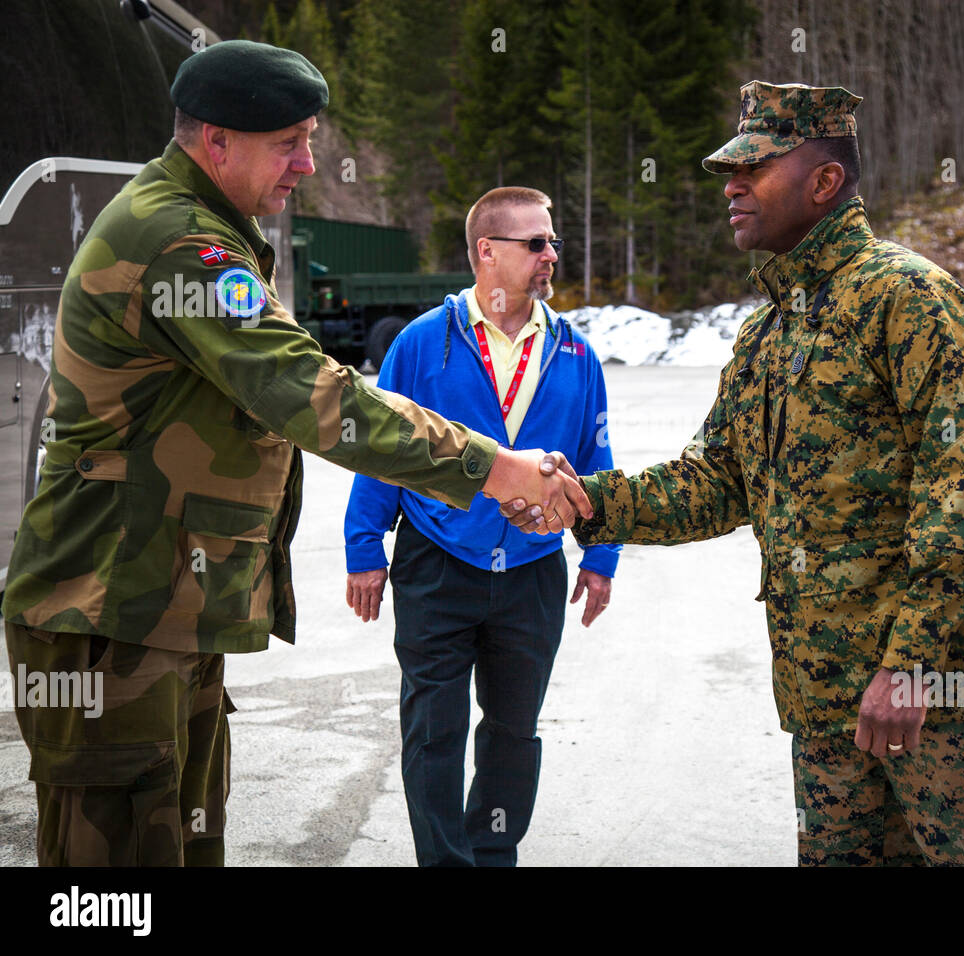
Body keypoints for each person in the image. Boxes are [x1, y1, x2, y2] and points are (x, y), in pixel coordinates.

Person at [0, 40, 588, 867]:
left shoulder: (210, 229)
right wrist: (493, 468)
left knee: (179, 842)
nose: (309, 165)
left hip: (157, 610)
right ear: (216, 142)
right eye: (289, 143)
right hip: (109, 617)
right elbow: (309, 393)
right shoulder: (180, 241)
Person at [505, 81, 964, 866]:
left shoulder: (911, 301)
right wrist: (587, 504)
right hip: (829, 705)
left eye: (753, 170)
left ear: (825, 182)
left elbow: (963, 501)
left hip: (945, 704)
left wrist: (910, 666)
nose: (731, 187)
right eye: (729, 171)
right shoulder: (770, 330)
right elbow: (716, 479)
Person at [343, 186, 620, 866]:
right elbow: (382, 449)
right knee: (433, 730)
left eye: (552, 241)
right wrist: (363, 548)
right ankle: (445, 861)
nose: (550, 254)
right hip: (435, 565)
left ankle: (493, 854)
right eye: (536, 243)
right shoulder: (420, 344)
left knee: (512, 730)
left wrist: (600, 557)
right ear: (486, 253)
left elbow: (597, 462)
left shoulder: (575, 354)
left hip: (531, 573)